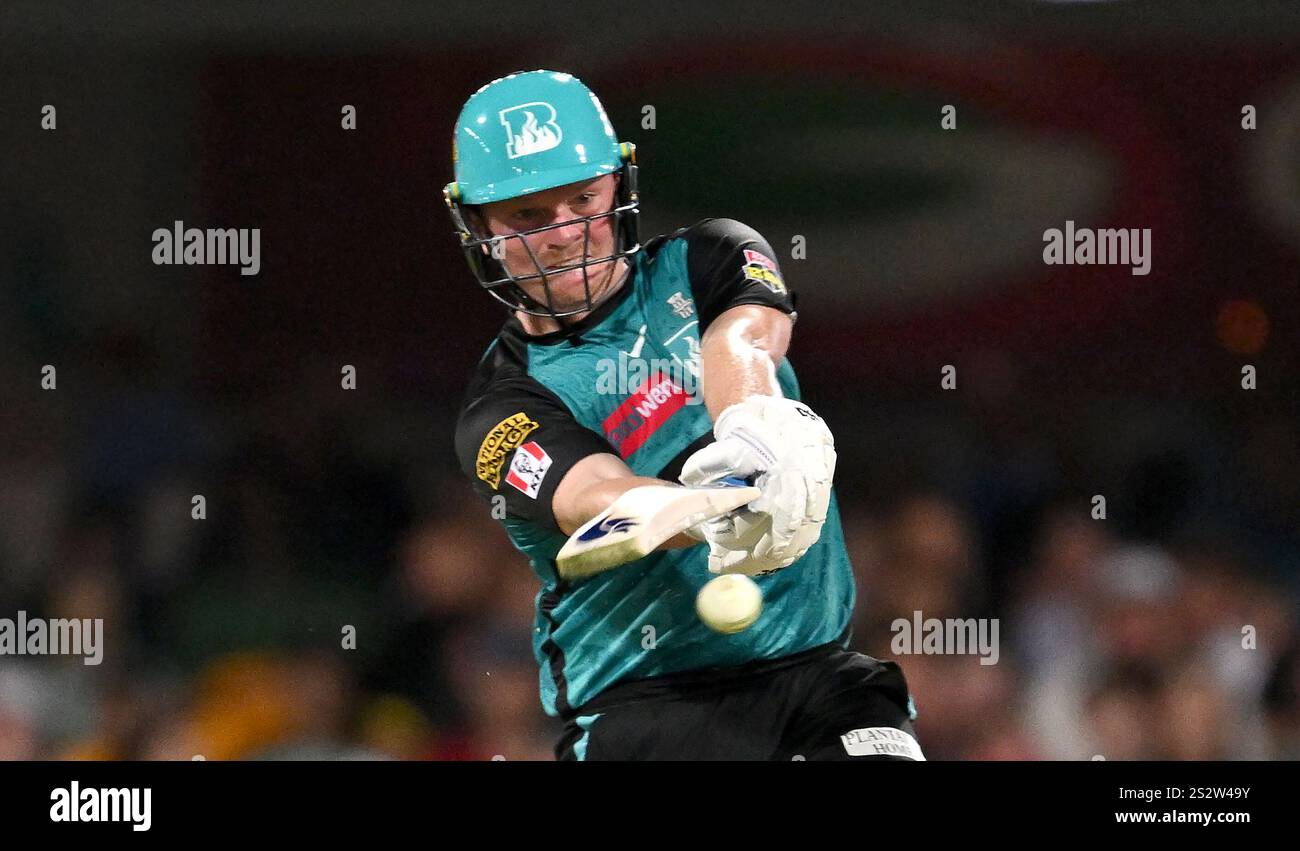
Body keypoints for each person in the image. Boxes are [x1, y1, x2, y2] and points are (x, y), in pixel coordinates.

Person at [449, 70, 920, 760]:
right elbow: (599, 496)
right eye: (528, 216)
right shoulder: (498, 410)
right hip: (646, 703)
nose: (565, 234)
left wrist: (758, 435)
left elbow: (743, 339)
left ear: (618, 186)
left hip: (821, 672)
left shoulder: (713, 256)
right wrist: (713, 508)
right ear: (477, 224)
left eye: (583, 198)